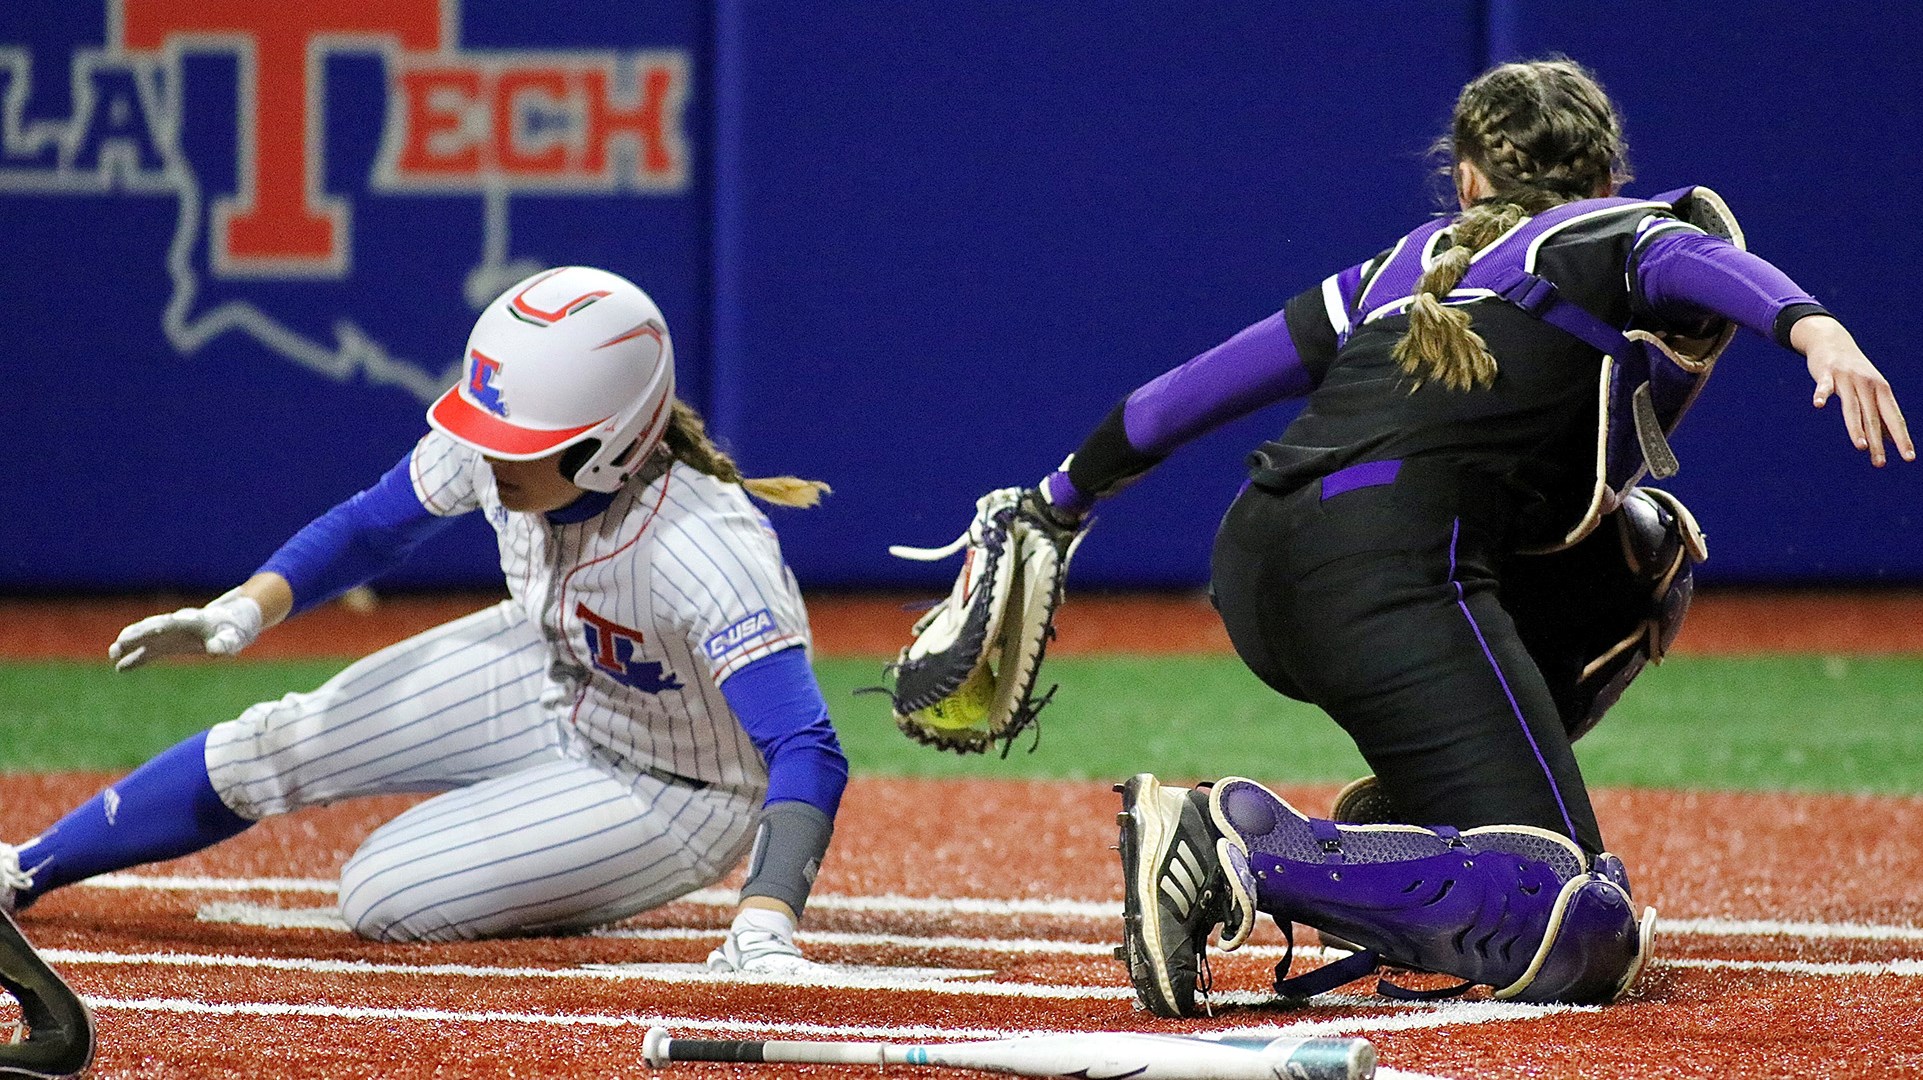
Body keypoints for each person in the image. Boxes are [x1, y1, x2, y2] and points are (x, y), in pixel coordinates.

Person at [1017, 59, 1911, 1015]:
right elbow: (1687, 258)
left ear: (1467, 179)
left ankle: (1419, 812)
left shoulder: (1396, 268)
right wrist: (1813, 328)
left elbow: (1175, 399)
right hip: (1384, 569)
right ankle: (1233, 848)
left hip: (1257, 565)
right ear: (1606, 174)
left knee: (1626, 549)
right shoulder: (1598, 229)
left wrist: (1054, 501)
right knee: (1575, 922)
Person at [0, 266, 848, 973]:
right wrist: (244, 607)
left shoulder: (705, 545)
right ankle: (22, 869)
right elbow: (373, 525)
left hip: (677, 787)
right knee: (277, 739)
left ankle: (560, 849)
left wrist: (766, 916)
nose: (489, 452)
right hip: (558, 664)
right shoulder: (505, 446)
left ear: (613, 442)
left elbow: (803, 745)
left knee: (381, 894)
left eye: (516, 439)